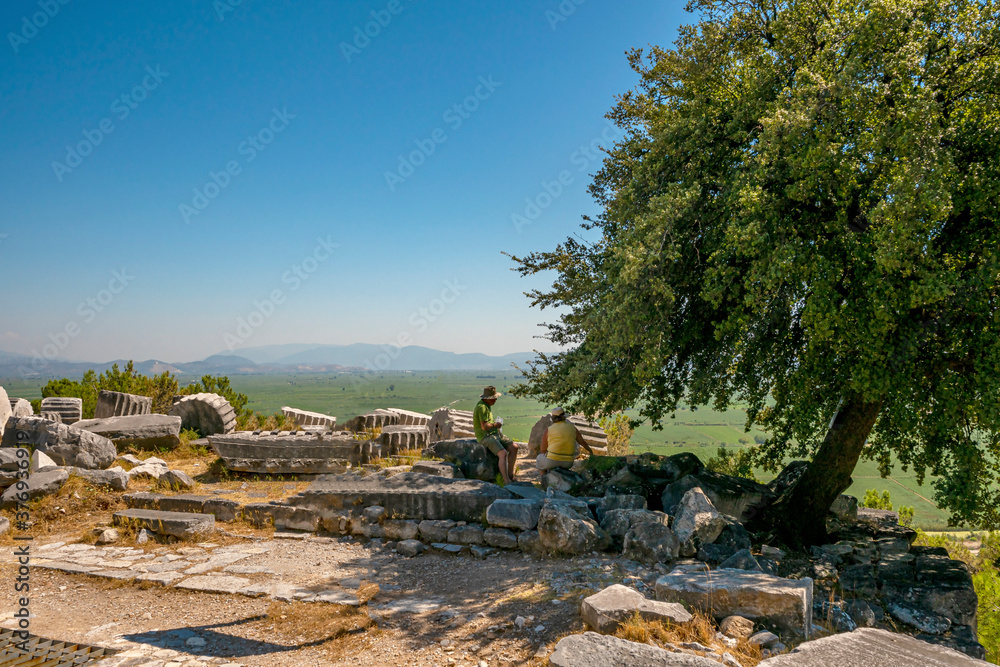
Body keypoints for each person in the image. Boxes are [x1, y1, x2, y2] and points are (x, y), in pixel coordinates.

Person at [473, 385, 518, 484]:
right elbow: (484, 426)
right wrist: (495, 425)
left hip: (494, 433)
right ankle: (506, 480)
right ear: (488, 399)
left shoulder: (487, 406)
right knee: (503, 453)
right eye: (494, 398)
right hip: (486, 436)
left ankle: (511, 475)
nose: (495, 400)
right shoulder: (482, 407)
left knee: (514, 447)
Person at [537, 407, 594, 471]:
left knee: (539, 458)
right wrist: (590, 451)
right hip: (568, 463)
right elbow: (582, 442)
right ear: (563, 416)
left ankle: (543, 478)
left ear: (553, 418)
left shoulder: (549, 429)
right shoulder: (573, 428)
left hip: (552, 461)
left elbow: (543, 450)